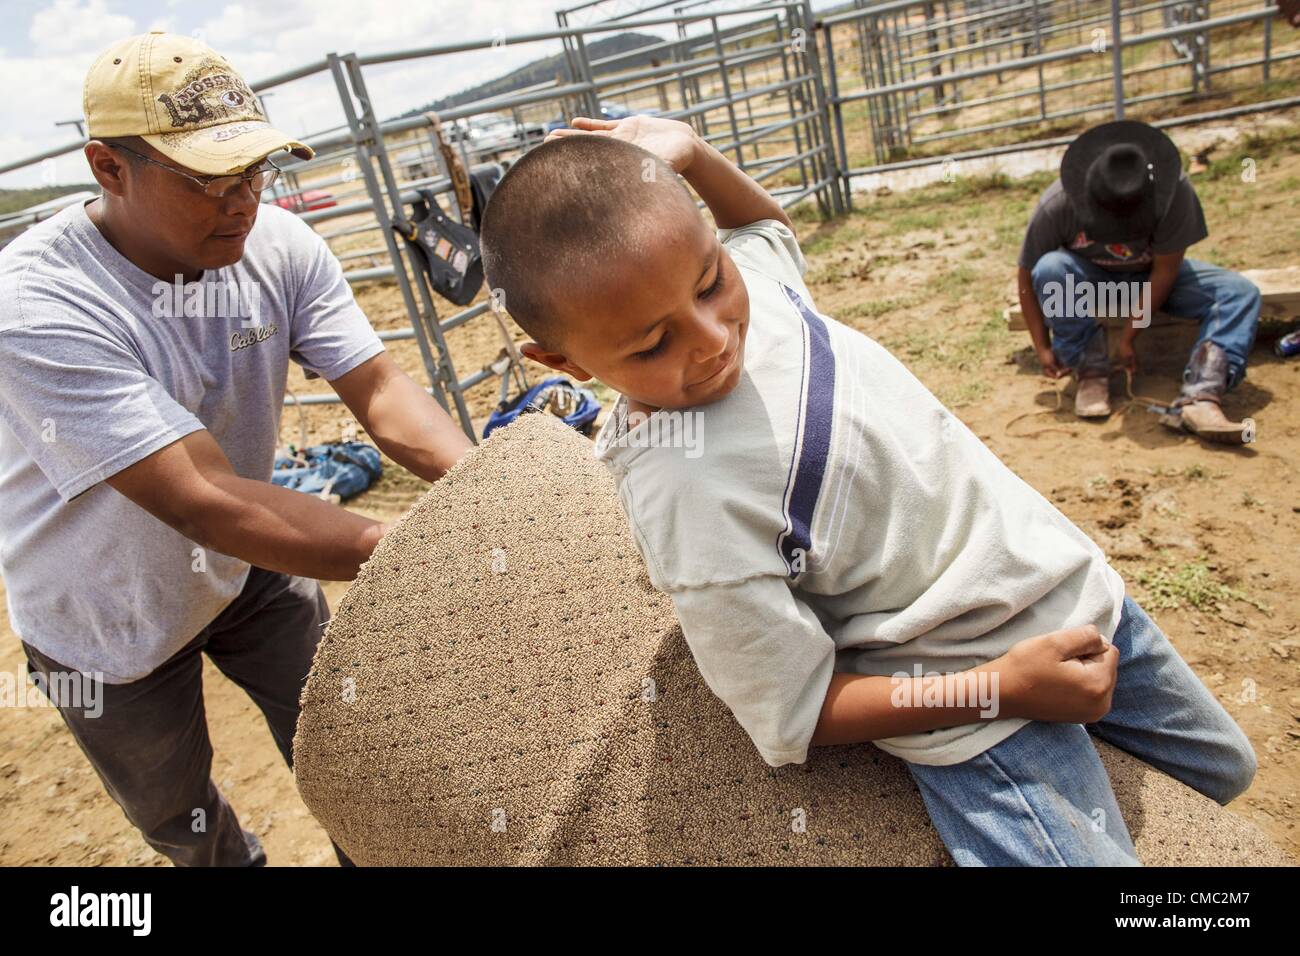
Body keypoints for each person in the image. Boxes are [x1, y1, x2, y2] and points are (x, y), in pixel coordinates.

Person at [476, 115, 1257, 865]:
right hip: (977, 698)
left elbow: (770, 233)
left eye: (712, 282)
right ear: (565, 365)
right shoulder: (688, 497)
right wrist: (1002, 691)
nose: (713, 339)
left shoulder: (759, 298)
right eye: (653, 343)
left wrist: (695, 155)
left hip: (1059, 578)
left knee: (1224, 769)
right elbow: (796, 709)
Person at [0, 33, 472, 865]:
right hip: (110, 615)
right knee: (177, 812)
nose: (242, 202)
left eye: (254, 171)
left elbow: (383, 395)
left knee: (355, 752)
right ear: (108, 168)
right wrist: (425, 550)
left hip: (252, 563)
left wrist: (491, 491)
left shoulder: (279, 248)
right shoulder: (39, 304)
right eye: (206, 181)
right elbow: (200, 498)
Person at [1016, 120, 1260, 443]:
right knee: (1050, 270)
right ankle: (1090, 371)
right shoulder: (1057, 204)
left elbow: (1165, 273)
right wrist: (1042, 347)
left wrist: (1130, 335)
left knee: (1239, 293)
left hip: (1151, 279)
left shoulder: (1175, 193)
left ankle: (1201, 396)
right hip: (1090, 281)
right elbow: (1025, 275)